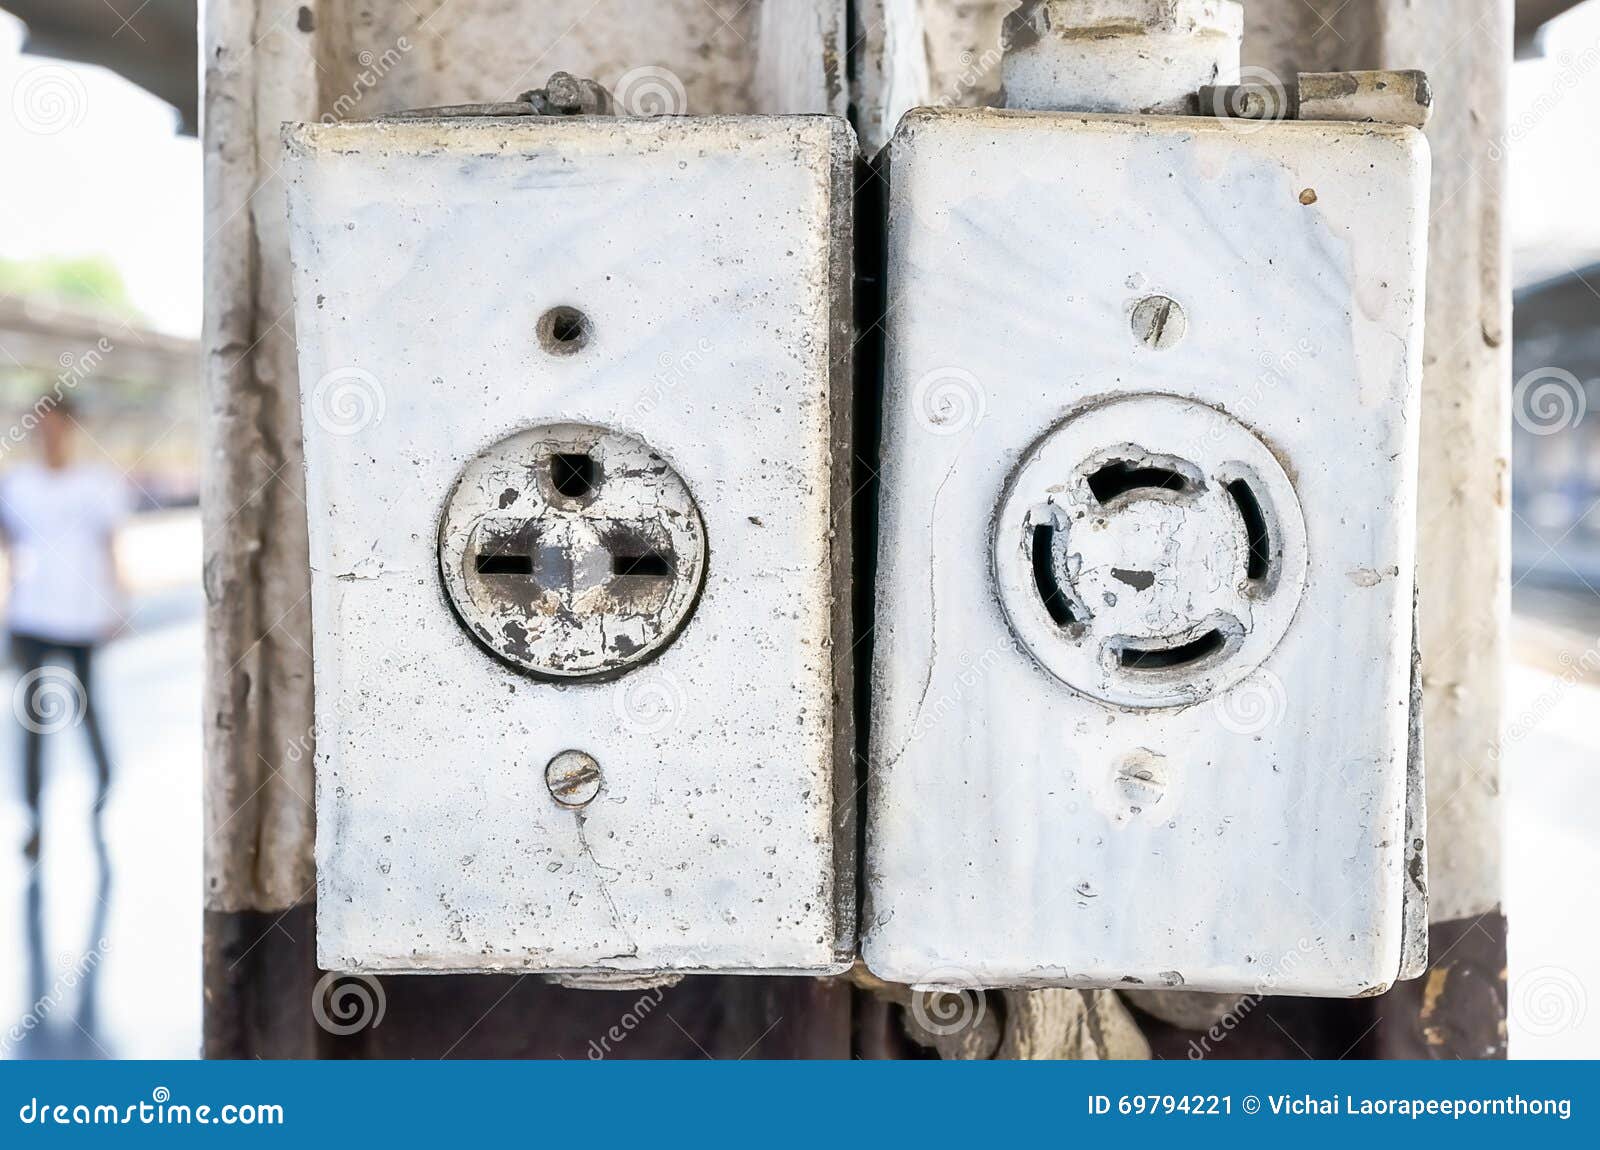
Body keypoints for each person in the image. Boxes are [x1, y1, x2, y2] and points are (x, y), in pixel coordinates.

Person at [0, 396, 129, 860]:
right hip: (31, 619)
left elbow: (111, 545)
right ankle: (33, 816)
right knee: (31, 719)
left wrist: (118, 602)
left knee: (86, 707)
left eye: (56, 427)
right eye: (40, 428)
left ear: (71, 429)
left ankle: (103, 784)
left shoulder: (95, 485)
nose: (47, 436)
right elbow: (10, 547)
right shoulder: (16, 486)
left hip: (81, 617)